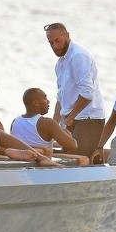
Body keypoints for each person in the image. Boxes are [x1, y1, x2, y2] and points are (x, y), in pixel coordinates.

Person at [45, 22, 106, 158]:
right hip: (71, 120)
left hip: (88, 119)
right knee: (67, 158)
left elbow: (87, 93)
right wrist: (54, 126)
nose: (55, 46)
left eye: (57, 41)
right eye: (51, 43)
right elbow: (61, 98)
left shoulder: (78, 55)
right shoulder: (60, 64)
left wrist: (70, 117)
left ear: (67, 36)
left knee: (79, 160)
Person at [10, 87, 80, 156]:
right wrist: (67, 133)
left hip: (22, 160)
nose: (48, 101)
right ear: (36, 103)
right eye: (45, 98)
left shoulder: (15, 122)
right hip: (41, 162)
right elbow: (73, 147)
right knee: (84, 159)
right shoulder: (47, 123)